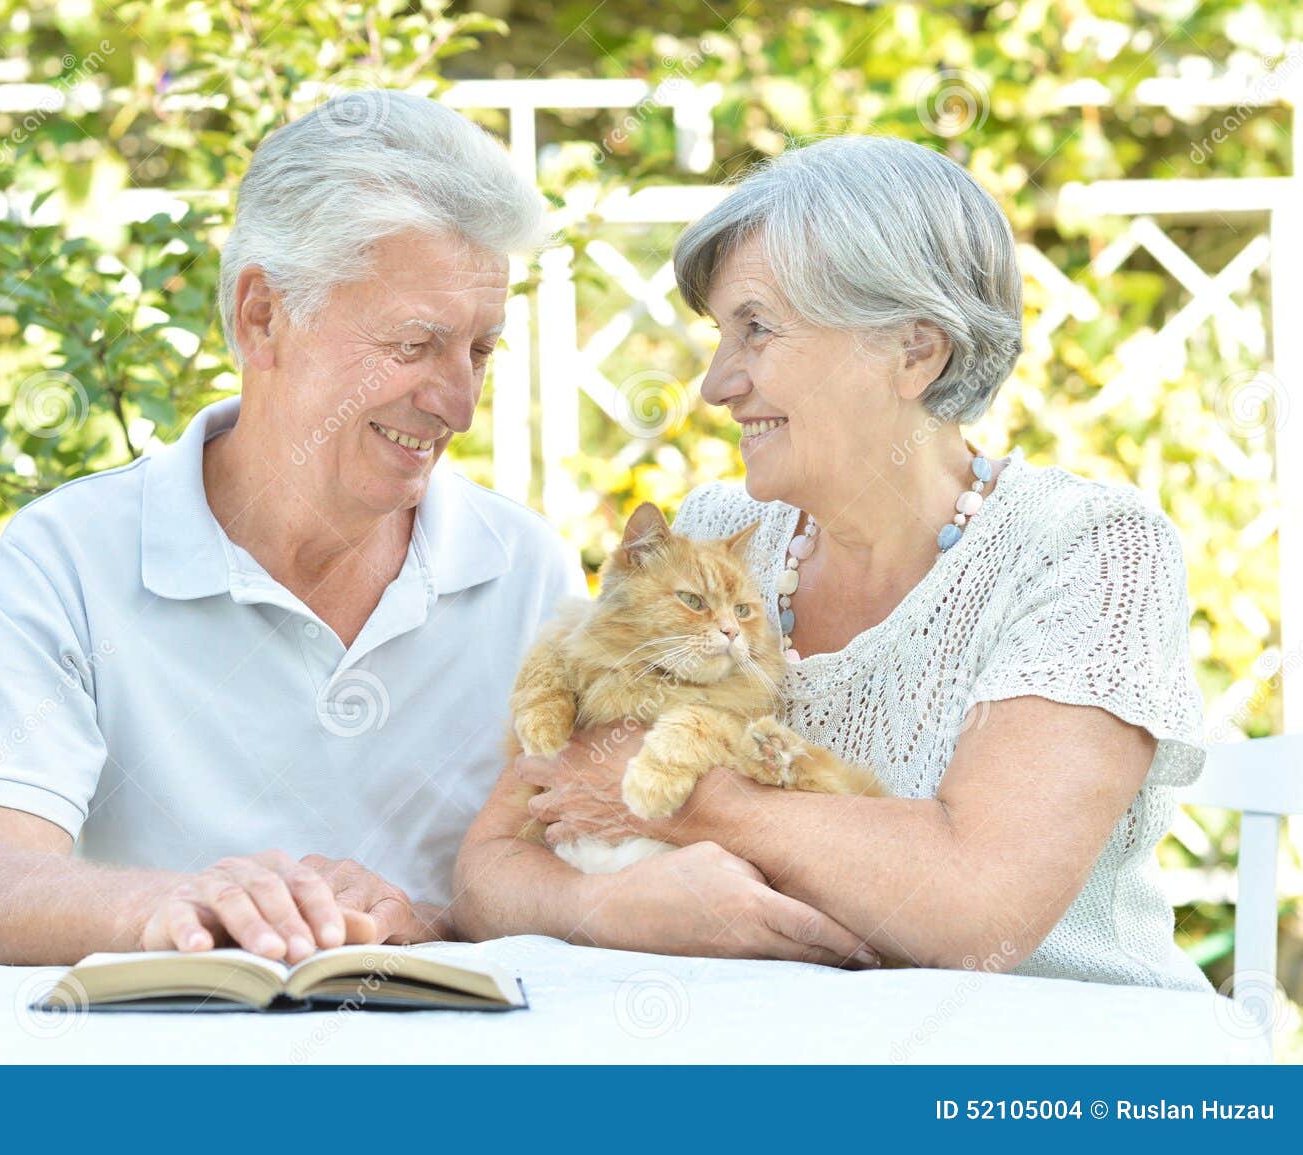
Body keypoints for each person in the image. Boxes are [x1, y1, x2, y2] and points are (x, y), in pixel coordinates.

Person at [453, 136, 1210, 990]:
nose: (715, 383)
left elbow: (978, 905)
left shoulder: (1086, 548)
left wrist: (699, 805)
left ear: (915, 352)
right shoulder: (719, 543)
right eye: (721, 335)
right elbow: (490, 869)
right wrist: (604, 906)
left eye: (757, 329)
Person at [0, 91, 584, 967]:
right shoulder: (69, 558)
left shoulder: (525, 572)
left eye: (479, 351)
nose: (457, 403)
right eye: (414, 344)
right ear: (262, 316)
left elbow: (583, 877)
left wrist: (427, 921)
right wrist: (194, 906)